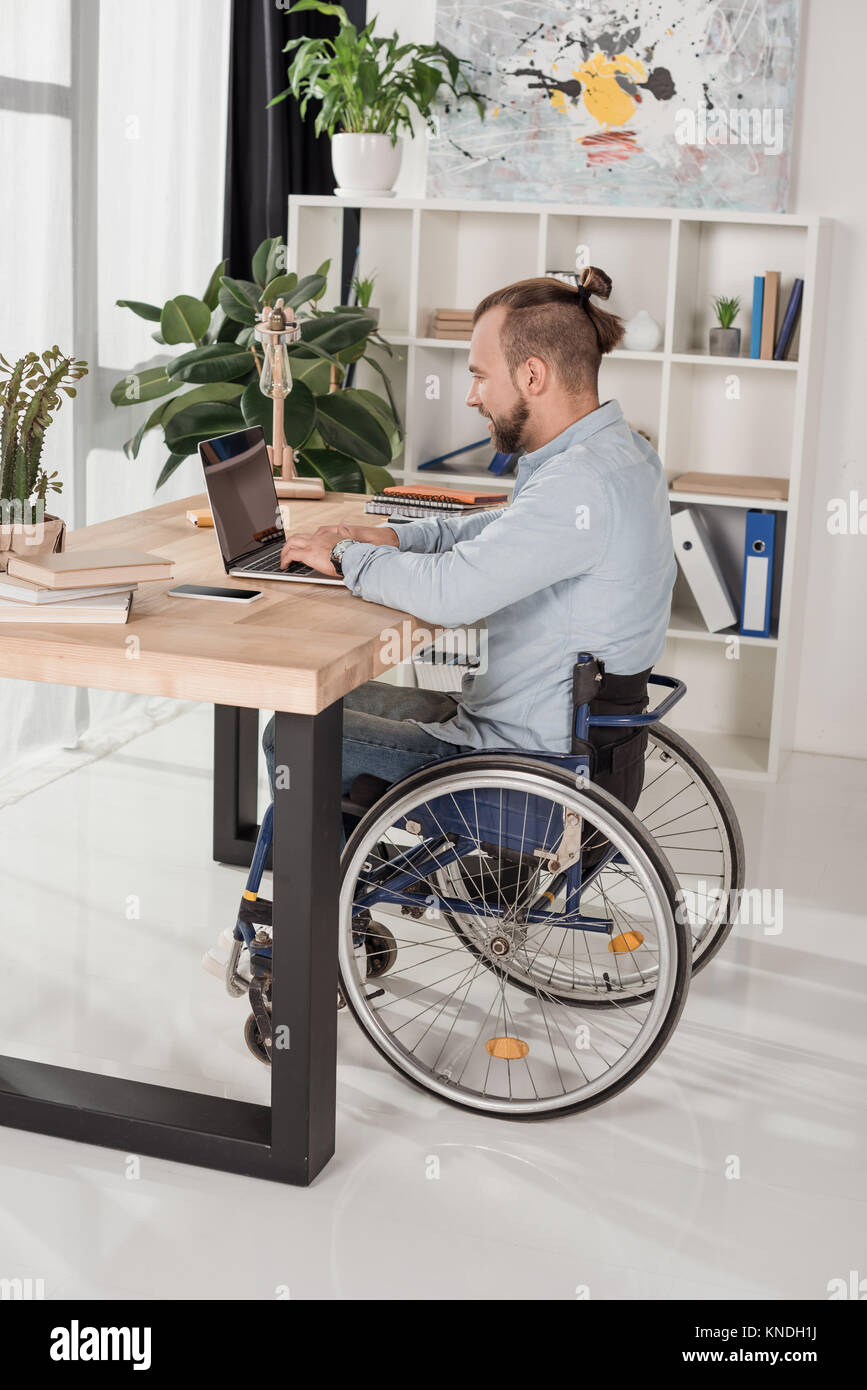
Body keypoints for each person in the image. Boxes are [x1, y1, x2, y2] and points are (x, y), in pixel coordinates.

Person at [262, 266, 676, 802]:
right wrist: (397, 539)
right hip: (569, 743)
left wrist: (343, 555)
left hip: (519, 765)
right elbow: (511, 526)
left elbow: (450, 593)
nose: (471, 397)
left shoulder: (580, 482)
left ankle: (342, 880)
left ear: (532, 376)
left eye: (480, 376)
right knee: (319, 705)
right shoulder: (624, 453)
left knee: (289, 737)